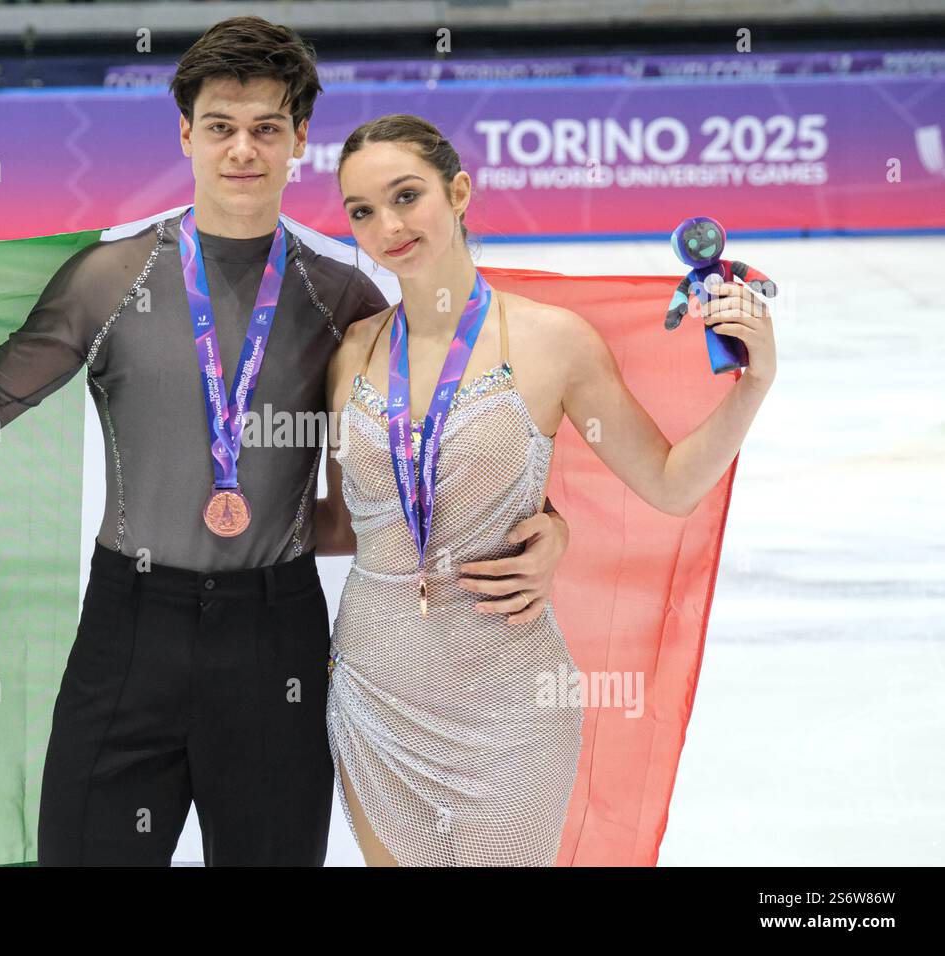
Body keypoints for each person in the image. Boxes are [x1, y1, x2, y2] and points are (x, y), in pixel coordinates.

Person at [0, 18, 572, 866]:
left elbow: (430, 456)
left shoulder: (339, 298)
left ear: (299, 139)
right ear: (186, 133)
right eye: (221, 127)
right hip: (128, 637)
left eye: (267, 127)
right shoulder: (110, 278)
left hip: (277, 649)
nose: (242, 150)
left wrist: (551, 523)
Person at [317, 114, 777, 866]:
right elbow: (352, 517)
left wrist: (753, 383)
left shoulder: (552, 343)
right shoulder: (352, 353)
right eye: (363, 211)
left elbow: (667, 485)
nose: (387, 226)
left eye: (407, 196)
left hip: (510, 701)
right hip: (374, 690)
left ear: (459, 191)